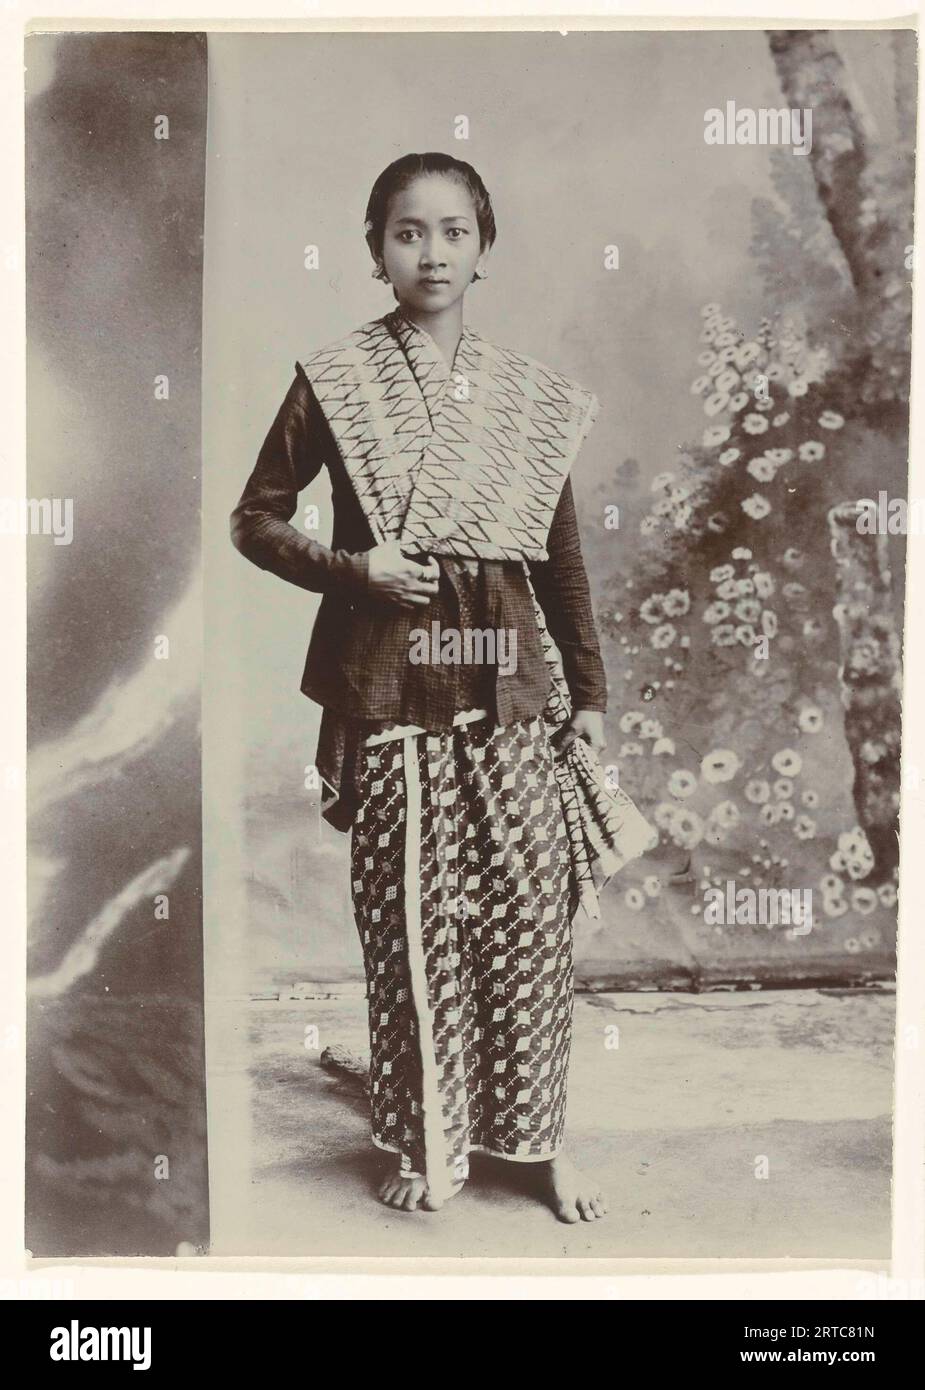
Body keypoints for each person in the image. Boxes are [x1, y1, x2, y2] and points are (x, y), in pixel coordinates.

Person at [231, 152, 646, 1223]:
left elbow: (557, 563)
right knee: (410, 918)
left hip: (507, 683)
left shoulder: (528, 403)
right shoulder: (335, 378)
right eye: (408, 232)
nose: (432, 251)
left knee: (526, 910)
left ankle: (538, 1142)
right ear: (374, 249)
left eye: (455, 231)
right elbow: (257, 517)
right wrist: (351, 565)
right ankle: (425, 1137)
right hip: (387, 685)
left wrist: (588, 694)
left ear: (485, 249)